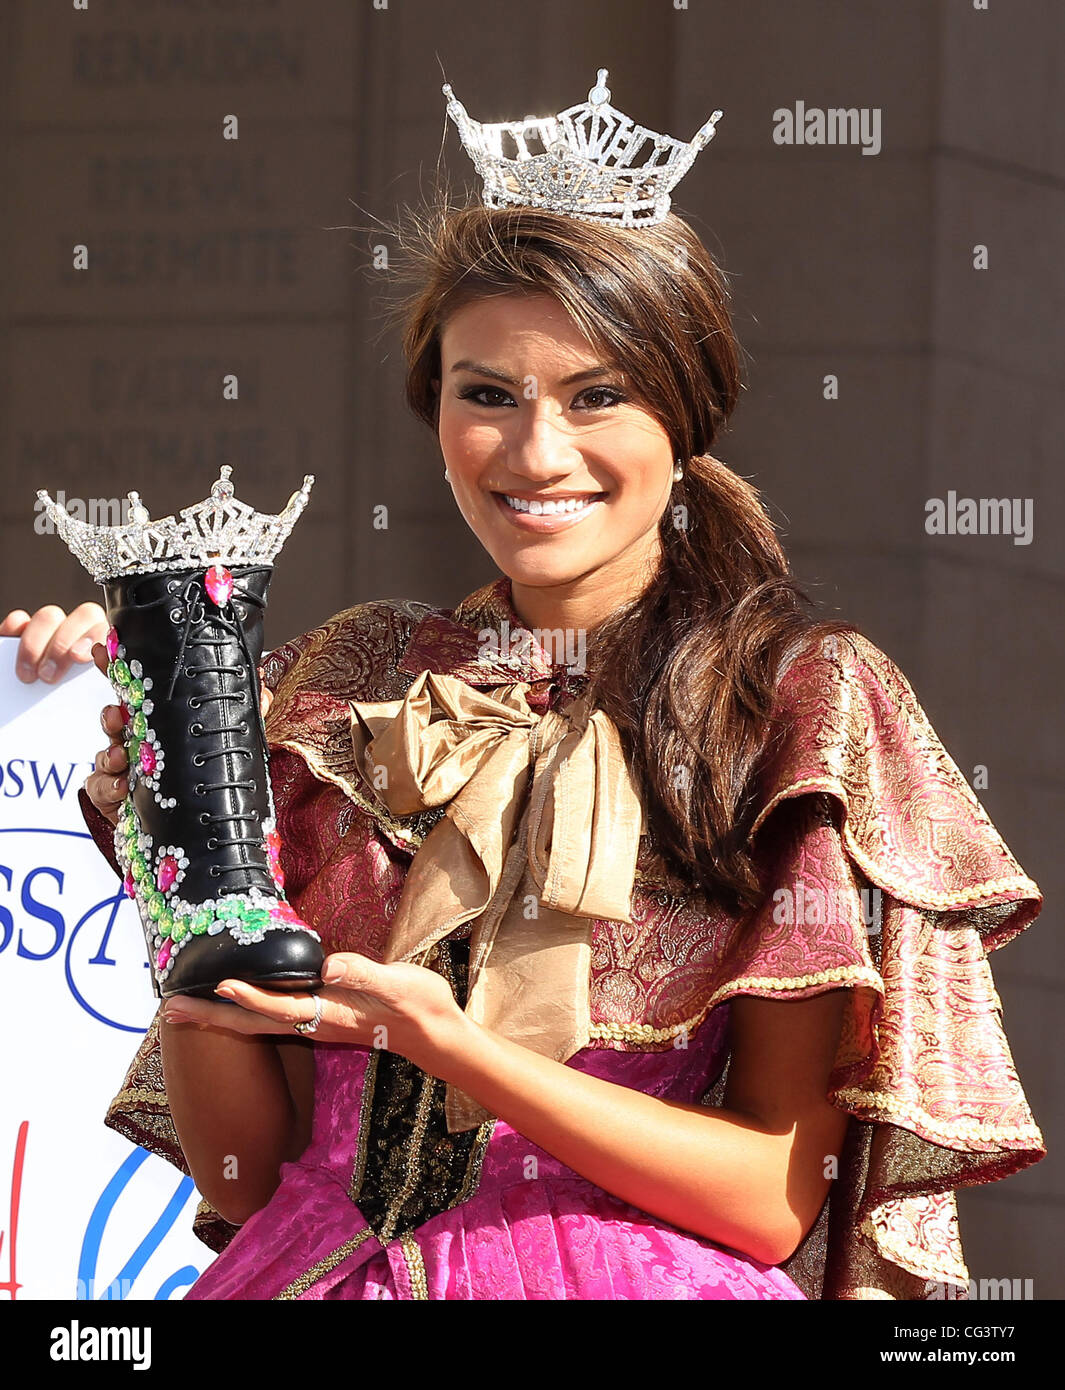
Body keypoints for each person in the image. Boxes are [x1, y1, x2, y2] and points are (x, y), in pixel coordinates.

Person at [5, 90, 1046, 1302]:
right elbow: (249, 1174)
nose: (536, 453)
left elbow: (770, 1202)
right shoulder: (341, 684)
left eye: (597, 396)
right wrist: (174, 856)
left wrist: (455, 1052)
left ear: (684, 413)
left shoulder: (798, 701)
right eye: (486, 395)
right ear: (434, 412)